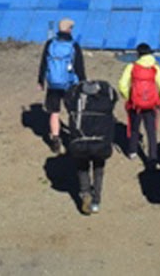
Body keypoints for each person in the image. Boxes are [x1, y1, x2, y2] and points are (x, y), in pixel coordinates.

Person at [64, 79, 118, 214]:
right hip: (101, 141)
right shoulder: (106, 98)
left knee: (82, 167)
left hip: (80, 141)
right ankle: (96, 201)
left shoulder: (76, 97)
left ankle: (85, 192)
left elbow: (67, 103)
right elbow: (114, 100)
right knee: (98, 169)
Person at [38, 18, 86, 153]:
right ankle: (73, 137)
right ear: (69, 29)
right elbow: (79, 66)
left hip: (53, 83)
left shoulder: (50, 44)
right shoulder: (74, 45)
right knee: (73, 111)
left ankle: (55, 139)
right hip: (69, 83)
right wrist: (83, 82)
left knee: (54, 112)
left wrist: (41, 80)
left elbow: (44, 63)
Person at [117, 42, 160, 169]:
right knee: (151, 131)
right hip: (151, 103)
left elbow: (122, 84)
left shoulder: (132, 67)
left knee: (134, 127)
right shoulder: (155, 67)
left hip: (136, 103)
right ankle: (152, 157)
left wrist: (128, 97)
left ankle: (133, 151)